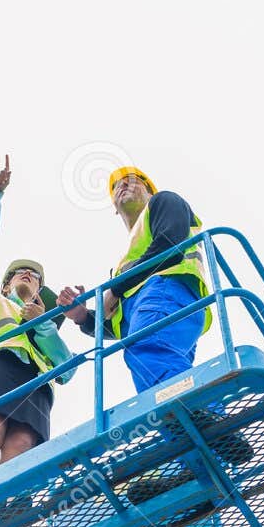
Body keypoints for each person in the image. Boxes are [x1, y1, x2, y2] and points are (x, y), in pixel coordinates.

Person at [0, 156, 75, 478]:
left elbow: (66, 370)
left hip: (36, 384)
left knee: (23, 441)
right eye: (18, 273)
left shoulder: (47, 321)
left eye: (34, 275)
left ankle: (3, 508)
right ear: (7, 283)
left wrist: (42, 324)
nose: (26, 274)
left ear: (40, 288)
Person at [56, 167, 210, 392]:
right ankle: (200, 418)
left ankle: (197, 412)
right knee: (158, 376)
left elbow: (171, 246)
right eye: (117, 185)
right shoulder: (123, 263)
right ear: (115, 210)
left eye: (133, 180)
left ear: (149, 191)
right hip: (164, 306)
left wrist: (116, 289)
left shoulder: (163, 201)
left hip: (168, 290)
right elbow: (120, 324)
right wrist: (84, 318)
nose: (123, 185)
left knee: (149, 350)